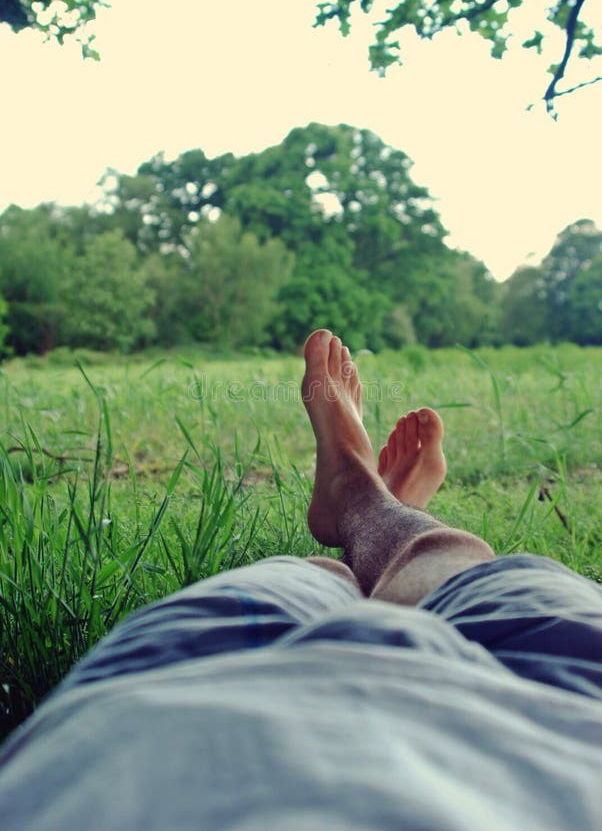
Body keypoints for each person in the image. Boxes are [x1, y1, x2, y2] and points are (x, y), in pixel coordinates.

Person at [0, 328, 601, 829]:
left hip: (155, 710)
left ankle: (361, 503)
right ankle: (374, 507)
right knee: (483, 583)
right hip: (571, 712)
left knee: (307, 580)